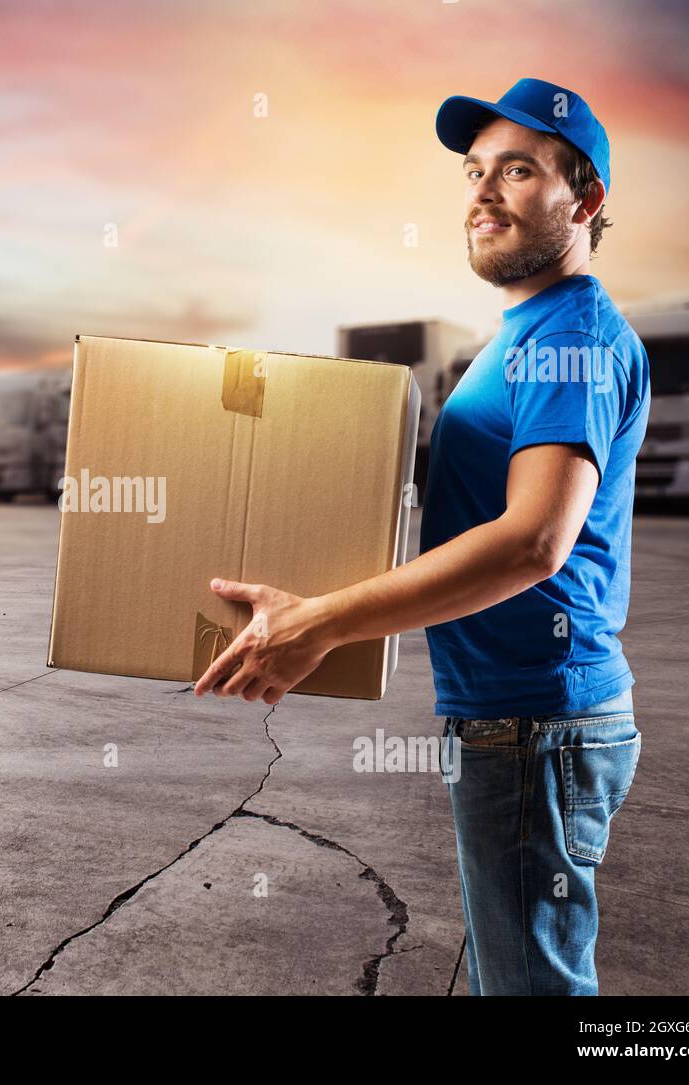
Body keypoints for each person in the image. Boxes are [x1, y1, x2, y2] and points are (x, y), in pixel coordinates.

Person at [193, 77, 650, 995]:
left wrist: (321, 621)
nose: (482, 191)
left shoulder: (572, 335)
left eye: (518, 170)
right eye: (475, 170)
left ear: (585, 200)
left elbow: (533, 542)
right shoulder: (519, 333)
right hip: (511, 716)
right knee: (513, 976)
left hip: (537, 719)